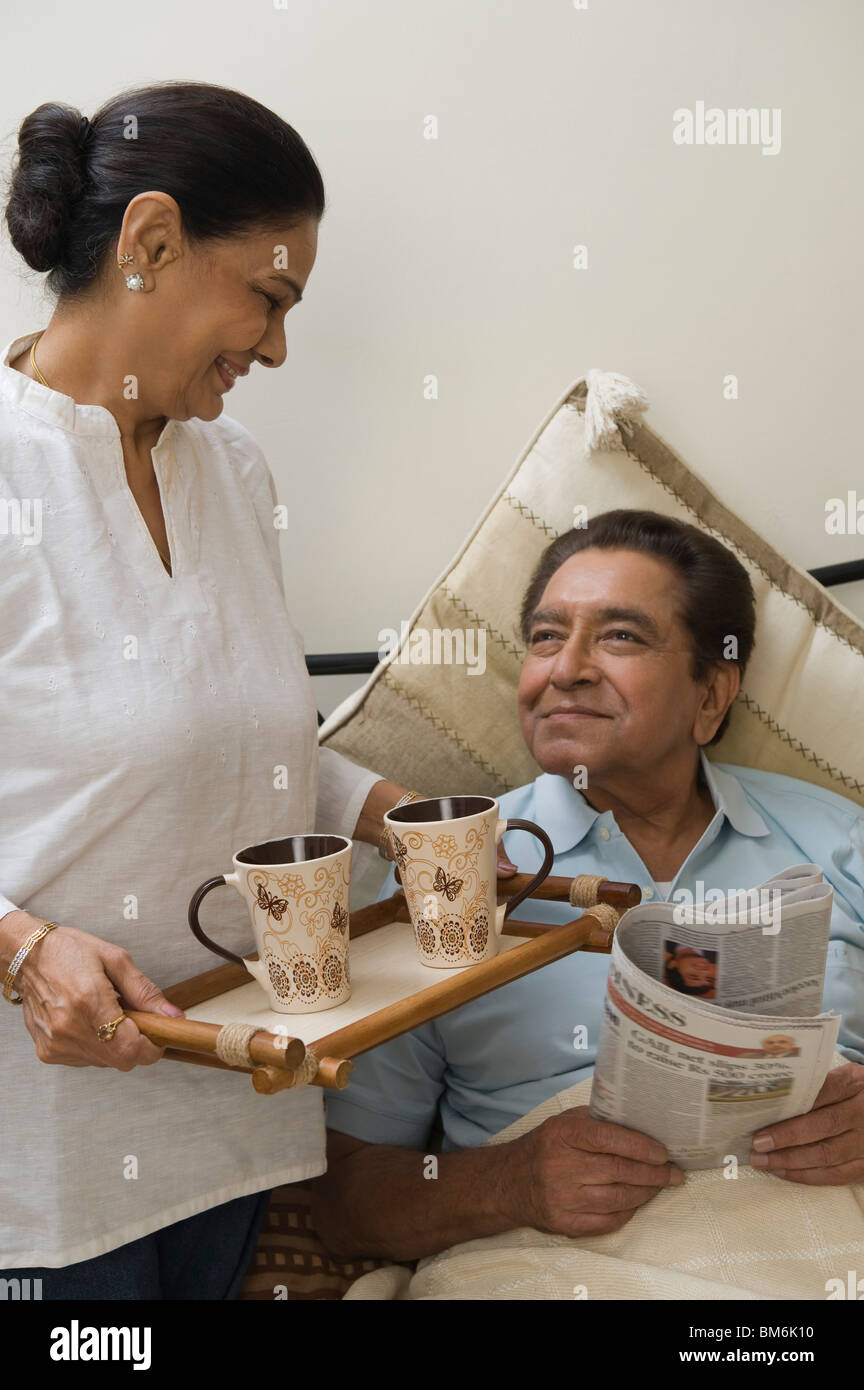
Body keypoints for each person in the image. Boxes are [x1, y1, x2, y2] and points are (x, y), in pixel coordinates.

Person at [0, 79, 429, 1299]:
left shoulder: (233, 471)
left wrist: (396, 814)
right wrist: (24, 950)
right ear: (149, 243)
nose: (278, 347)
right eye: (270, 297)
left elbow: (238, 740)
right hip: (39, 1163)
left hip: (231, 1115)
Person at [310, 509, 864, 1265]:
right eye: (545, 636)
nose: (564, 668)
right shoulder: (439, 875)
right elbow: (342, 1204)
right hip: (551, 1265)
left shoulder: (842, 842)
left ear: (712, 696)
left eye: (621, 636)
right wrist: (506, 1184)